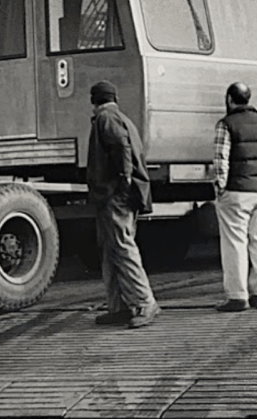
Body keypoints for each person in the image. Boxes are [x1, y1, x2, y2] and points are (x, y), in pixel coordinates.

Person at [87, 80, 160, 329]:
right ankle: (119, 306)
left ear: (94, 101)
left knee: (122, 248)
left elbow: (120, 147)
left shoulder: (105, 119)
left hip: (115, 195)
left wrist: (122, 180)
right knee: (111, 250)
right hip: (123, 194)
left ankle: (144, 302)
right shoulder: (124, 119)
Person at [213, 82, 257, 312]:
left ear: (230, 99)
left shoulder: (226, 124)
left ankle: (237, 296)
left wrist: (220, 189)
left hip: (236, 192)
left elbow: (221, 160)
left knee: (235, 244)